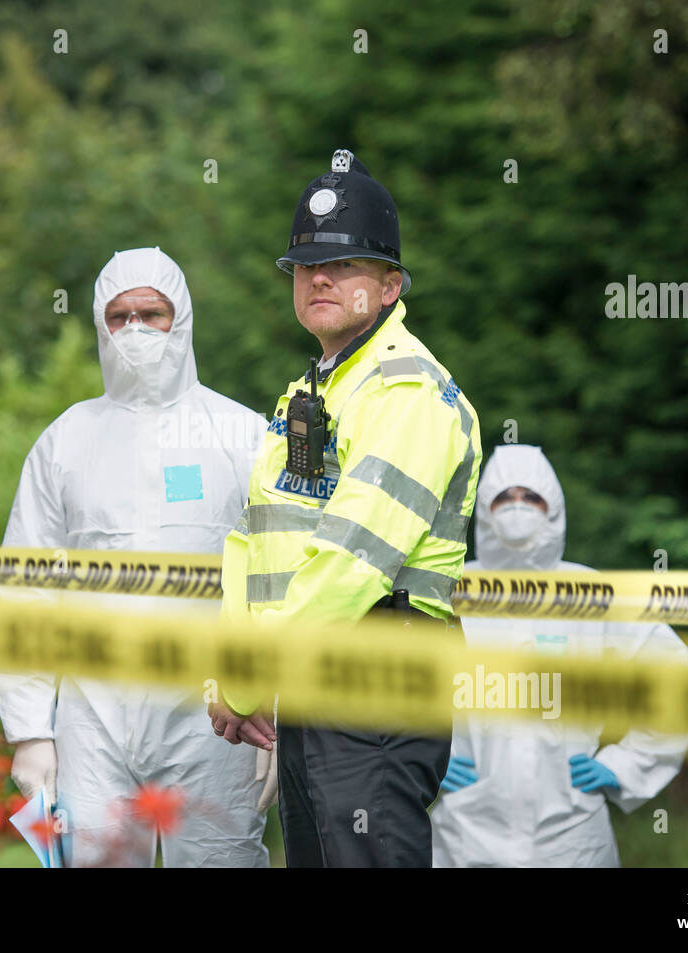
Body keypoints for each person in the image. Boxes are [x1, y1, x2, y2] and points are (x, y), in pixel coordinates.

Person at [207, 149, 482, 867]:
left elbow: (351, 561)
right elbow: (250, 544)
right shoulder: (313, 392)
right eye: (304, 265)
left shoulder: (408, 394)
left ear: (391, 287)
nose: (318, 277)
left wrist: (248, 676)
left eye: (346, 264)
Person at [0, 247, 270, 867]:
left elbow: (278, 578)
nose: (137, 330)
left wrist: (272, 692)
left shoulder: (243, 435)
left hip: (213, 710)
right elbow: (26, 588)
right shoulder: (67, 440)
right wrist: (30, 732)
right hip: (94, 712)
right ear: (99, 325)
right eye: (120, 317)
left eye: (154, 313)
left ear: (184, 320)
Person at [430, 443, 688, 867]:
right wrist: (423, 765)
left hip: (571, 832)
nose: (518, 508)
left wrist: (628, 765)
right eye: (505, 498)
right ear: (483, 510)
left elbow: (671, 672)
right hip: (465, 828)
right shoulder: (447, 592)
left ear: (553, 508)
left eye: (531, 497)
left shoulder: (591, 593)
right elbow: (396, 681)